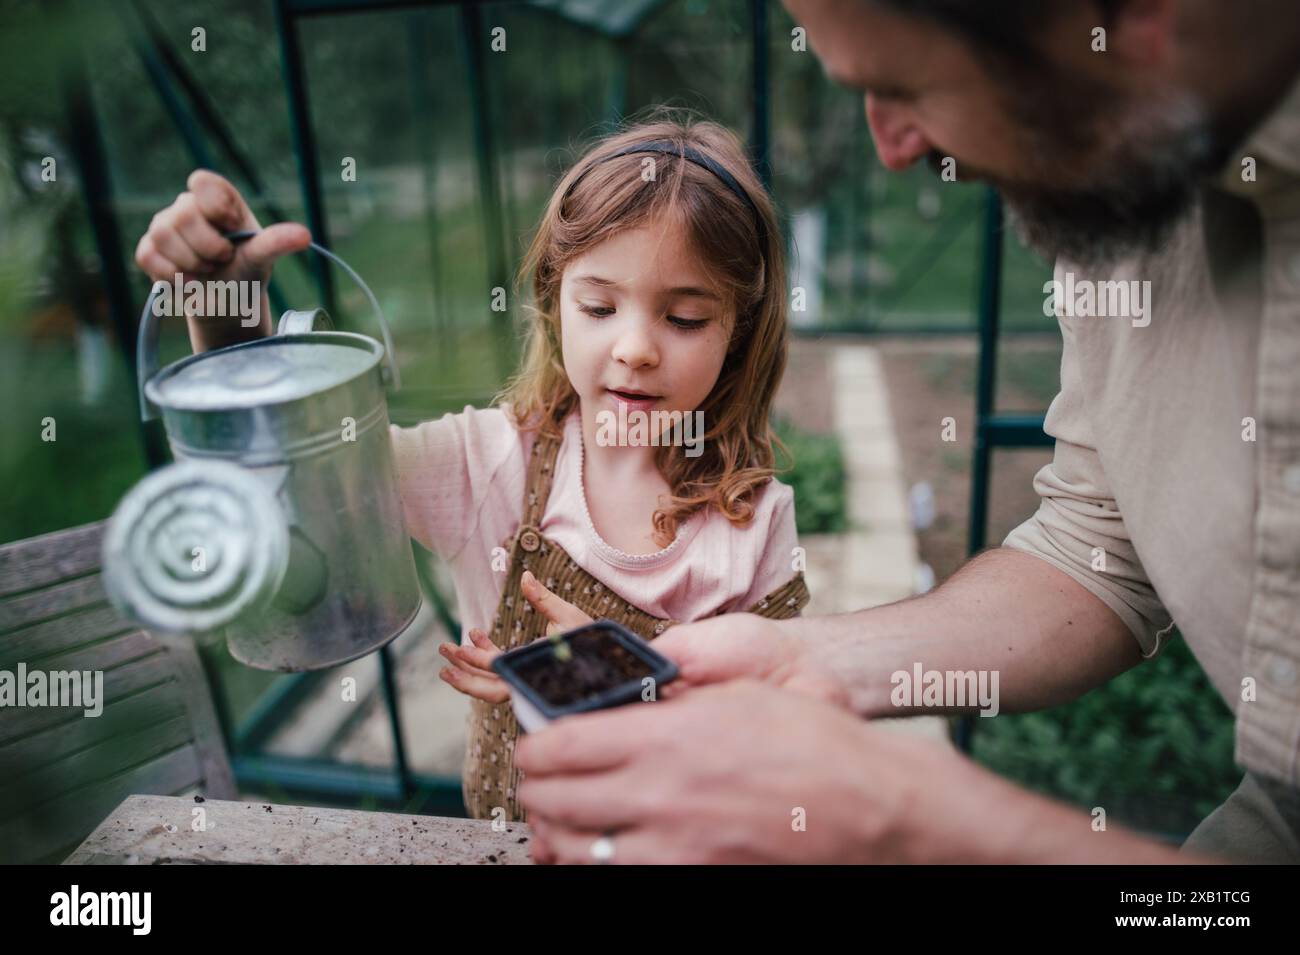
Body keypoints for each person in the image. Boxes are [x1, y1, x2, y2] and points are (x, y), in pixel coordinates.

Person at [514, 0, 1300, 863]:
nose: (891, 146)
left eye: (904, 86)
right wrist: (798, 655)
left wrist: (919, 820)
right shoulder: (1122, 167)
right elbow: (1098, 540)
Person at [132, 115, 810, 823]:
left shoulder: (756, 525)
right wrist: (230, 317)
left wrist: (628, 680)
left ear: (739, 330)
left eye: (686, 318)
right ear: (555, 303)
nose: (636, 346)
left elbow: (776, 740)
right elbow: (303, 481)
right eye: (601, 305)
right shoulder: (488, 462)